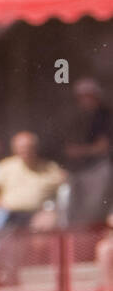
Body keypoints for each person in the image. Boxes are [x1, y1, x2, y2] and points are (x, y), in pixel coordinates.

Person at [62, 79, 112, 227]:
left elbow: (103, 147)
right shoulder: (76, 117)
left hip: (99, 169)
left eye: (87, 96)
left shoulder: (105, 116)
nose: (83, 100)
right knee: (74, 214)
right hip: (77, 171)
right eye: (80, 96)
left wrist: (79, 151)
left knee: (93, 214)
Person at [0, 131, 66, 224]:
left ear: (36, 148)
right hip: (8, 216)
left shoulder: (50, 168)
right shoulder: (6, 166)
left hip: (39, 216)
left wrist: (51, 211)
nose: (25, 150)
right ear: (14, 149)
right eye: (21, 147)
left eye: (29, 147)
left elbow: (65, 194)